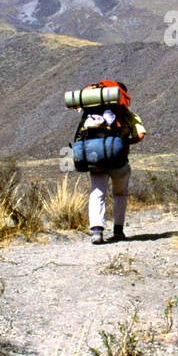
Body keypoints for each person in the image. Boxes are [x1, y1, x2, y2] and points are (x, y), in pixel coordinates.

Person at [71, 82, 144, 244]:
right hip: (118, 159)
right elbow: (140, 135)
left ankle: (97, 231)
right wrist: (123, 143)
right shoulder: (125, 113)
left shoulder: (90, 111)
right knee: (120, 193)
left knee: (97, 192)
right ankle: (118, 230)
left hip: (96, 157)